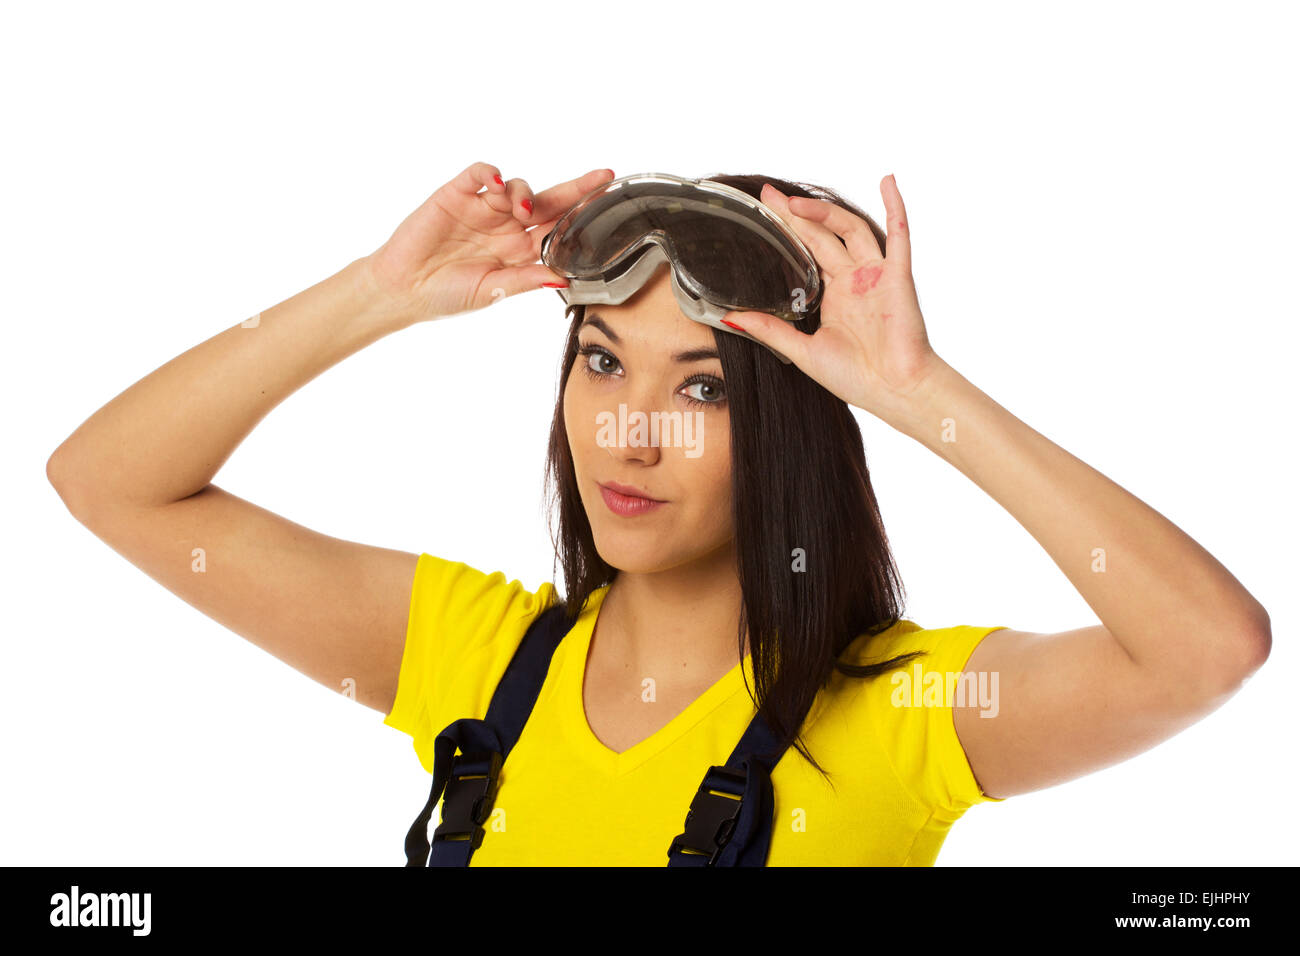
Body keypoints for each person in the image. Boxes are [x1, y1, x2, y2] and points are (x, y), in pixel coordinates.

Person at [46, 161, 1272, 866]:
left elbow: (1206, 648)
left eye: (700, 387)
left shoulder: (898, 712)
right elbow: (108, 479)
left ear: (792, 420)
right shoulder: (476, 664)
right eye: (599, 361)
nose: (628, 432)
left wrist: (917, 393)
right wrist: (382, 291)